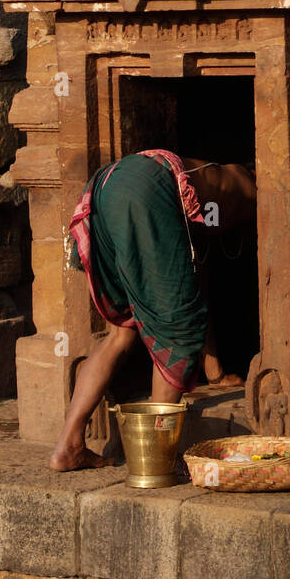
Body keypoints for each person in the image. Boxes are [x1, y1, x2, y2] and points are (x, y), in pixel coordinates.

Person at [49, 148, 257, 472]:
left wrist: (215, 374)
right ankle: (157, 456)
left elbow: (194, 287)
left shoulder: (207, 189)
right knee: (177, 331)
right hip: (143, 190)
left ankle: (68, 445)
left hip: (104, 187)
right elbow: (185, 312)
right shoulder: (253, 188)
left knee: (121, 333)